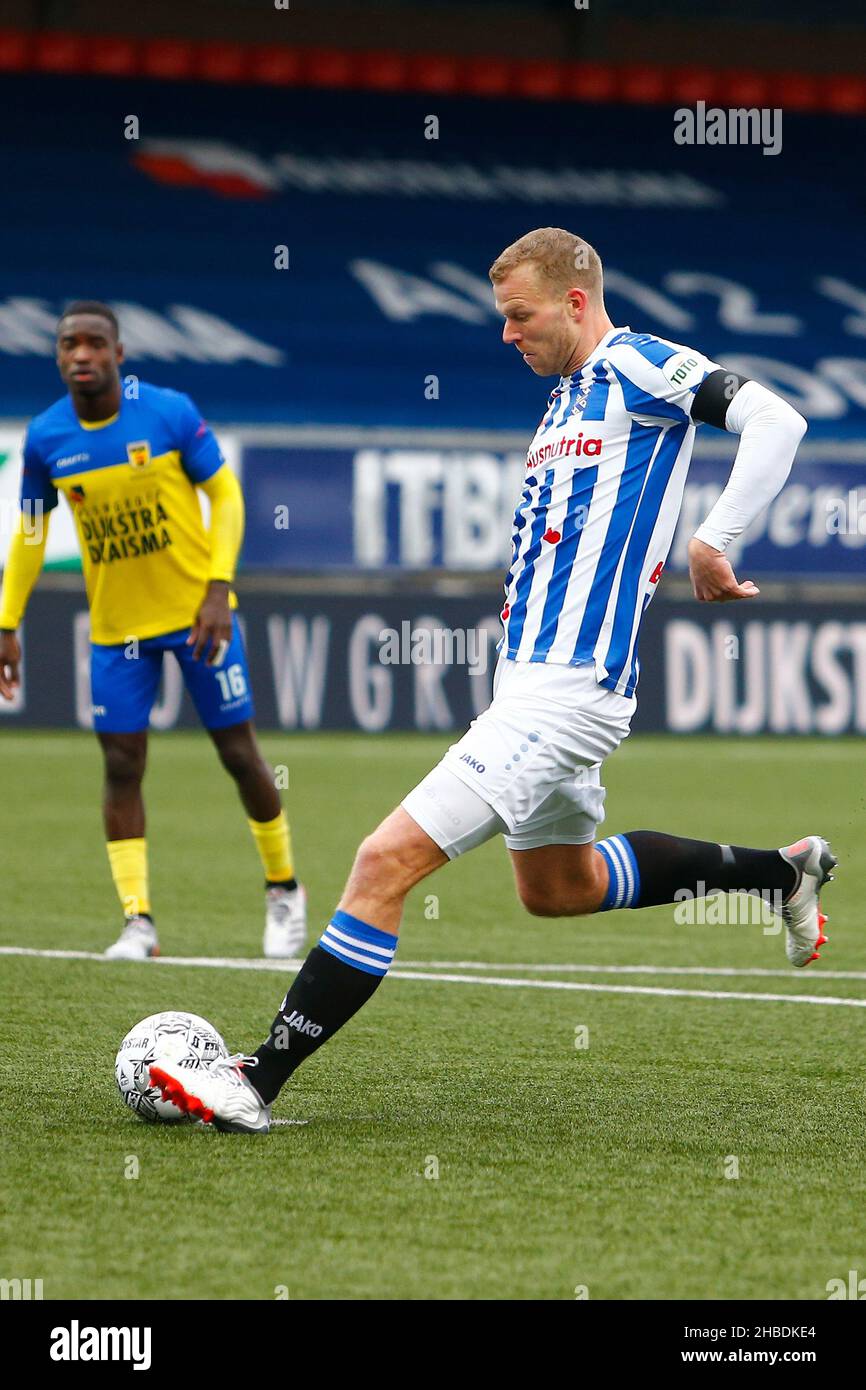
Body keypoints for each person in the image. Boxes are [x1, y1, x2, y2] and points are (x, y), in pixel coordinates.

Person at [145, 228, 835, 1134]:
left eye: (520, 316)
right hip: (527, 685)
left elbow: (778, 420)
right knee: (559, 888)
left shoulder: (638, 365)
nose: (507, 334)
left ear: (576, 303)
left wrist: (715, 541)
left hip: (569, 694)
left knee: (381, 863)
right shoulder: (561, 406)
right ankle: (780, 875)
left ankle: (257, 1079)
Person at [0, 301, 306, 961]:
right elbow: (29, 534)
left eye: (93, 344)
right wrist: (7, 621)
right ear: (57, 356)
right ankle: (137, 921)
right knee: (120, 763)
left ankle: (284, 888)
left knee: (238, 753)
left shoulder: (167, 413)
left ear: (118, 354)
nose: (80, 355)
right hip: (117, 632)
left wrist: (219, 588)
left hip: (198, 616)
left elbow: (225, 495)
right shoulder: (47, 438)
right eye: (68, 345)